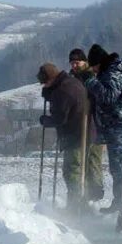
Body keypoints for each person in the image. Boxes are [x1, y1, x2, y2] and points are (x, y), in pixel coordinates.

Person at [37, 62, 99, 215]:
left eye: (45, 82)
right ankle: (82, 206)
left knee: (72, 173)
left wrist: (45, 120)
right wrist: (50, 94)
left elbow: (59, 118)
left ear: (51, 79)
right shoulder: (71, 81)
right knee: (80, 171)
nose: (44, 85)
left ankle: (74, 208)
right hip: (87, 133)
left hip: (76, 136)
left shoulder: (62, 91)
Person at [81, 44, 122, 214]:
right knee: (117, 168)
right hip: (114, 128)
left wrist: (90, 81)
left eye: (94, 67)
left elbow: (108, 97)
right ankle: (120, 201)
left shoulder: (114, 74)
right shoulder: (109, 72)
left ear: (99, 63)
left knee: (121, 169)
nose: (94, 71)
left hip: (121, 129)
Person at [67, 48, 105, 203]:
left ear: (85, 62)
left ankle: (94, 193)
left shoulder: (93, 76)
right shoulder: (71, 79)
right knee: (77, 162)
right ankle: (79, 198)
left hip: (94, 123)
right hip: (77, 125)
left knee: (93, 160)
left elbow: (101, 96)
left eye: (77, 62)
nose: (75, 65)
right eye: (72, 63)